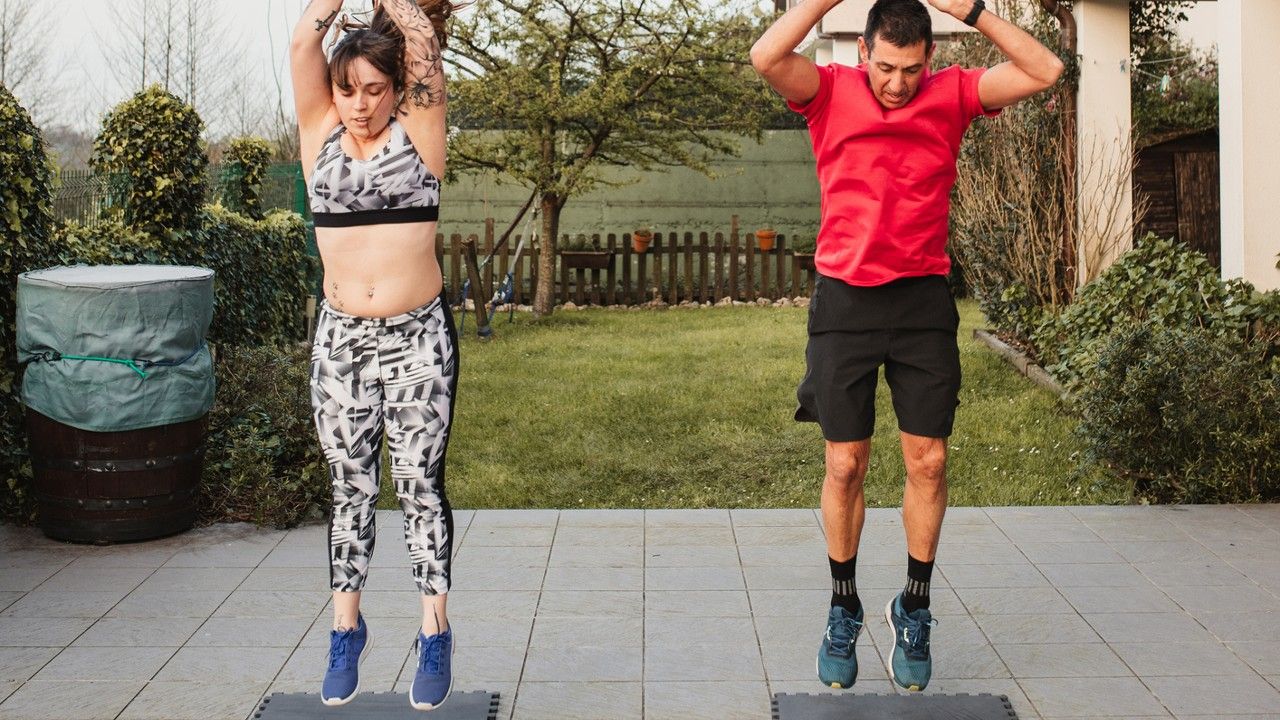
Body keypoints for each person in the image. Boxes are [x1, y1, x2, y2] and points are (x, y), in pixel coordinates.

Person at [750, 0, 1063, 692]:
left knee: (929, 460)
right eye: (886, 67)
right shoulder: (829, 91)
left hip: (921, 303)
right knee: (844, 465)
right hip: (845, 301)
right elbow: (765, 56)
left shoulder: (954, 94)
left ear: (931, 59)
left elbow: (1046, 69)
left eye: (911, 69)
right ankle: (844, 605)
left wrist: (973, 10)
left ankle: (913, 606)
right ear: (864, 53)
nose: (897, 83)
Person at [289, 0, 464, 710]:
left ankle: (434, 632)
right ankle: (345, 629)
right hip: (341, 342)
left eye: (374, 89)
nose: (359, 104)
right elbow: (303, 43)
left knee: (419, 485)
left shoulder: (421, 136)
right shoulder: (319, 136)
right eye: (347, 89)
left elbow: (420, 41)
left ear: (396, 90)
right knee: (350, 487)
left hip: (417, 337)